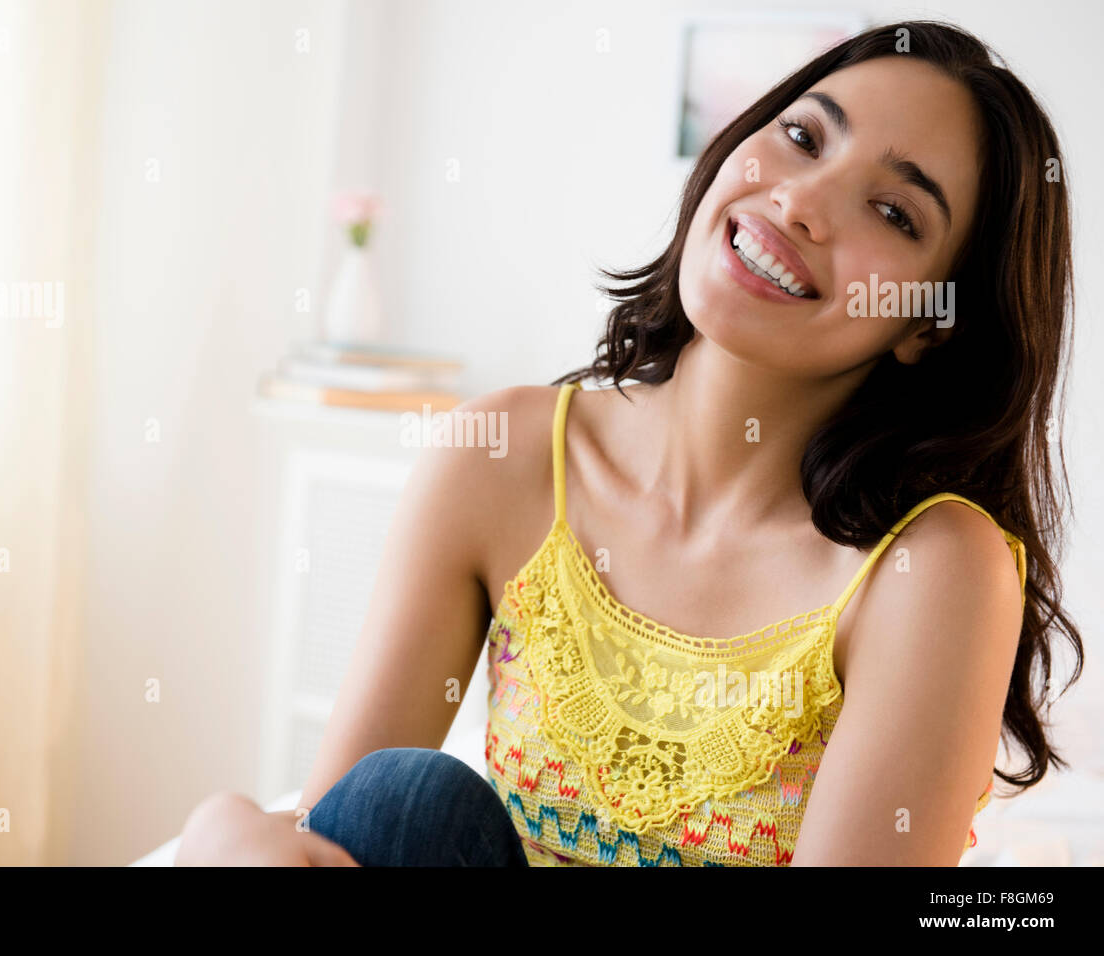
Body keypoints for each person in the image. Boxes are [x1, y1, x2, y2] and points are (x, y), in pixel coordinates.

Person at [174, 19, 1082, 866]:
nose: (800, 200)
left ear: (929, 326)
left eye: (894, 213)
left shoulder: (933, 569)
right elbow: (338, 834)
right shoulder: (505, 458)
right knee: (401, 802)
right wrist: (227, 832)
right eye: (805, 138)